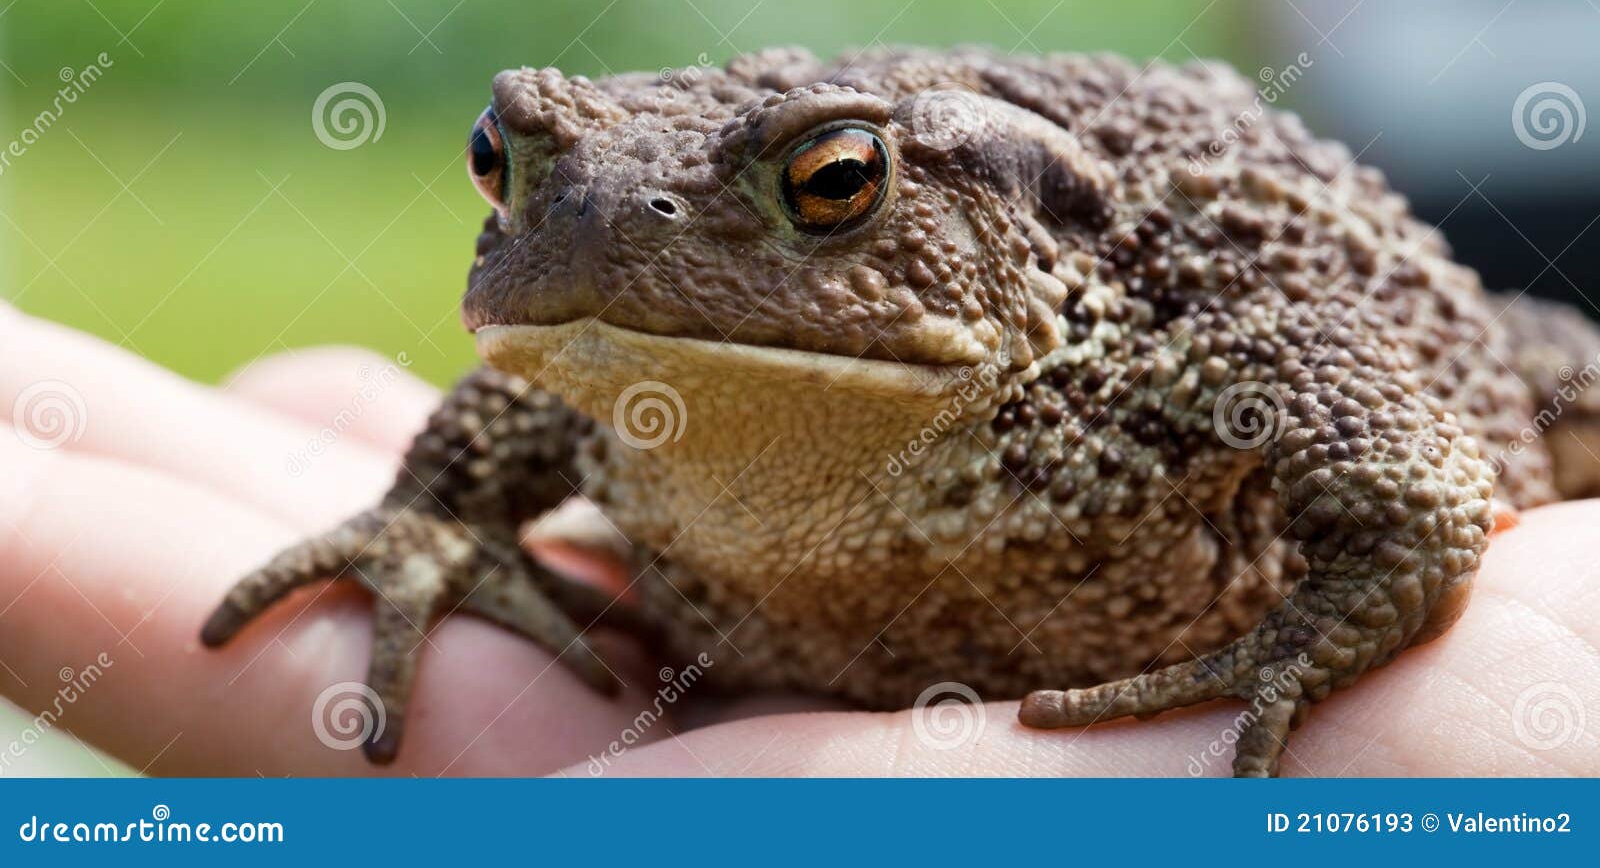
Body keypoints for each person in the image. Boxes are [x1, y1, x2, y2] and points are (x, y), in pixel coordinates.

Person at [1, 303, 1595, 777]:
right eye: (514, 170)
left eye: (825, 189)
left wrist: (1338, 625)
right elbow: (538, 380)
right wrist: (427, 524)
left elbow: (1342, 402)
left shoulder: (1120, 373)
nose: (596, 237)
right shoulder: (626, 377)